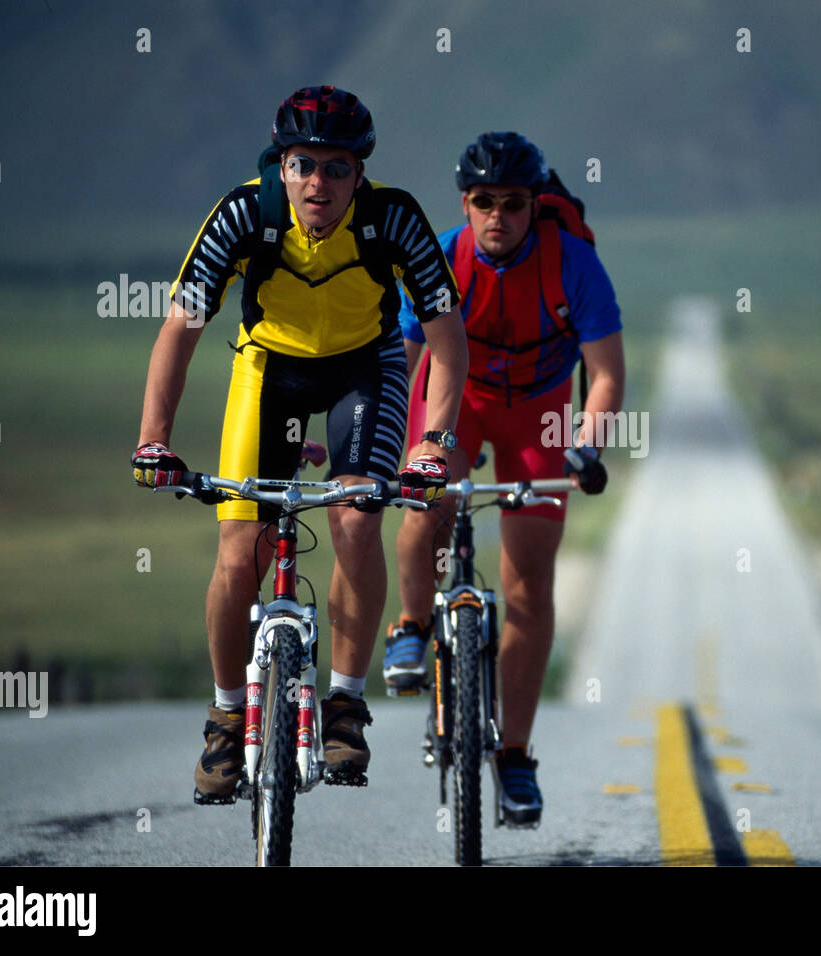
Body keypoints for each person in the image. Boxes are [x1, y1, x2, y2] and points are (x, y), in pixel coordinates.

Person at [131, 86, 468, 803]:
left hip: (363, 368)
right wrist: (154, 441)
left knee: (354, 517)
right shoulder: (241, 215)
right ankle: (226, 718)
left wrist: (434, 442)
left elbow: (446, 339)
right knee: (239, 551)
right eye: (303, 165)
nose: (319, 182)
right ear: (280, 166)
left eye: (337, 168)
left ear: (360, 173)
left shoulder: (394, 219)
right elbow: (179, 331)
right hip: (268, 370)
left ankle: (344, 704)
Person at [384, 132, 624, 826]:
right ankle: (410, 622)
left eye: (513, 204)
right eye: (483, 202)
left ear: (534, 205)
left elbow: (605, 374)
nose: (498, 216)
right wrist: (402, 445)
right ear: (465, 202)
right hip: (455, 400)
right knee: (425, 504)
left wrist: (586, 446)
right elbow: (403, 361)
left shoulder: (573, 264)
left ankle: (515, 757)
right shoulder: (441, 258)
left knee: (528, 584)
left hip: (541, 412)